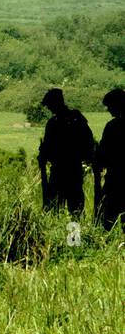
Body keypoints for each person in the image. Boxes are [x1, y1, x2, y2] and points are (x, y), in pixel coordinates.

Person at [37, 88, 94, 215]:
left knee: (71, 208)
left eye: (50, 105)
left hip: (69, 169)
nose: (49, 109)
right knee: (60, 207)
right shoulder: (56, 122)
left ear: (57, 103)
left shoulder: (71, 120)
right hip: (64, 170)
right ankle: (69, 232)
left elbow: (87, 143)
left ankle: (74, 234)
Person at [93, 88, 125, 229]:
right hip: (116, 176)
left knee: (109, 216)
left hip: (116, 178)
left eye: (110, 106)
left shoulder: (113, 126)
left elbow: (103, 154)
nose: (108, 110)